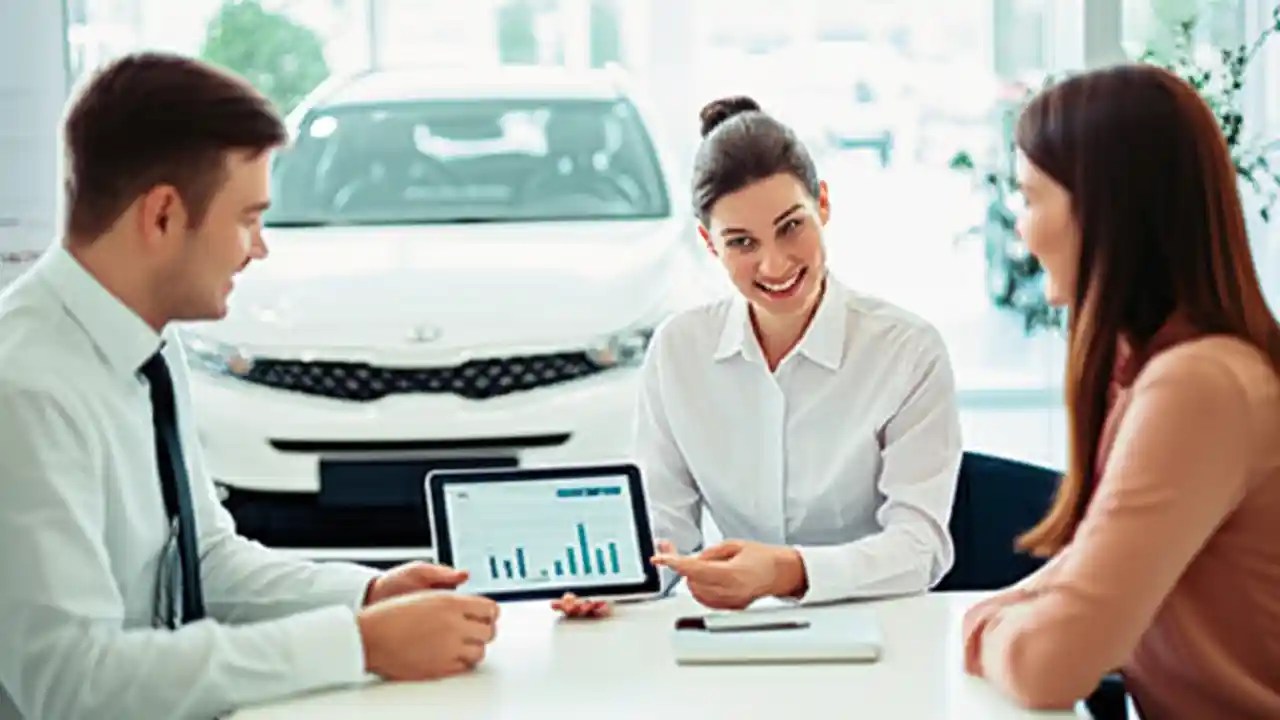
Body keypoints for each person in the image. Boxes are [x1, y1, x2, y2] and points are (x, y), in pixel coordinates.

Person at [0, 53, 499, 720]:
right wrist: (355, 646)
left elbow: (205, 559)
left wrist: (370, 595)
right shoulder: (27, 386)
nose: (258, 248)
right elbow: (70, 681)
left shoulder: (147, 341)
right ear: (163, 217)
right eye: (248, 218)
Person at [555, 96, 962, 618]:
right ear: (709, 244)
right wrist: (612, 582)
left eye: (791, 226)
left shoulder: (907, 352)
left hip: (877, 627)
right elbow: (664, 534)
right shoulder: (680, 351)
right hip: (735, 638)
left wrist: (786, 572)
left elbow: (920, 548)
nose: (773, 264)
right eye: (742, 242)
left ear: (824, 205)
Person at [962, 64, 1280, 717]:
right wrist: (998, 618)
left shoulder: (1200, 385)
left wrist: (984, 631)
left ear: (1105, 210)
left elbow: (1051, 665)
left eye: (1030, 197)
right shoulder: (1162, 372)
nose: (1021, 229)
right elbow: (1081, 575)